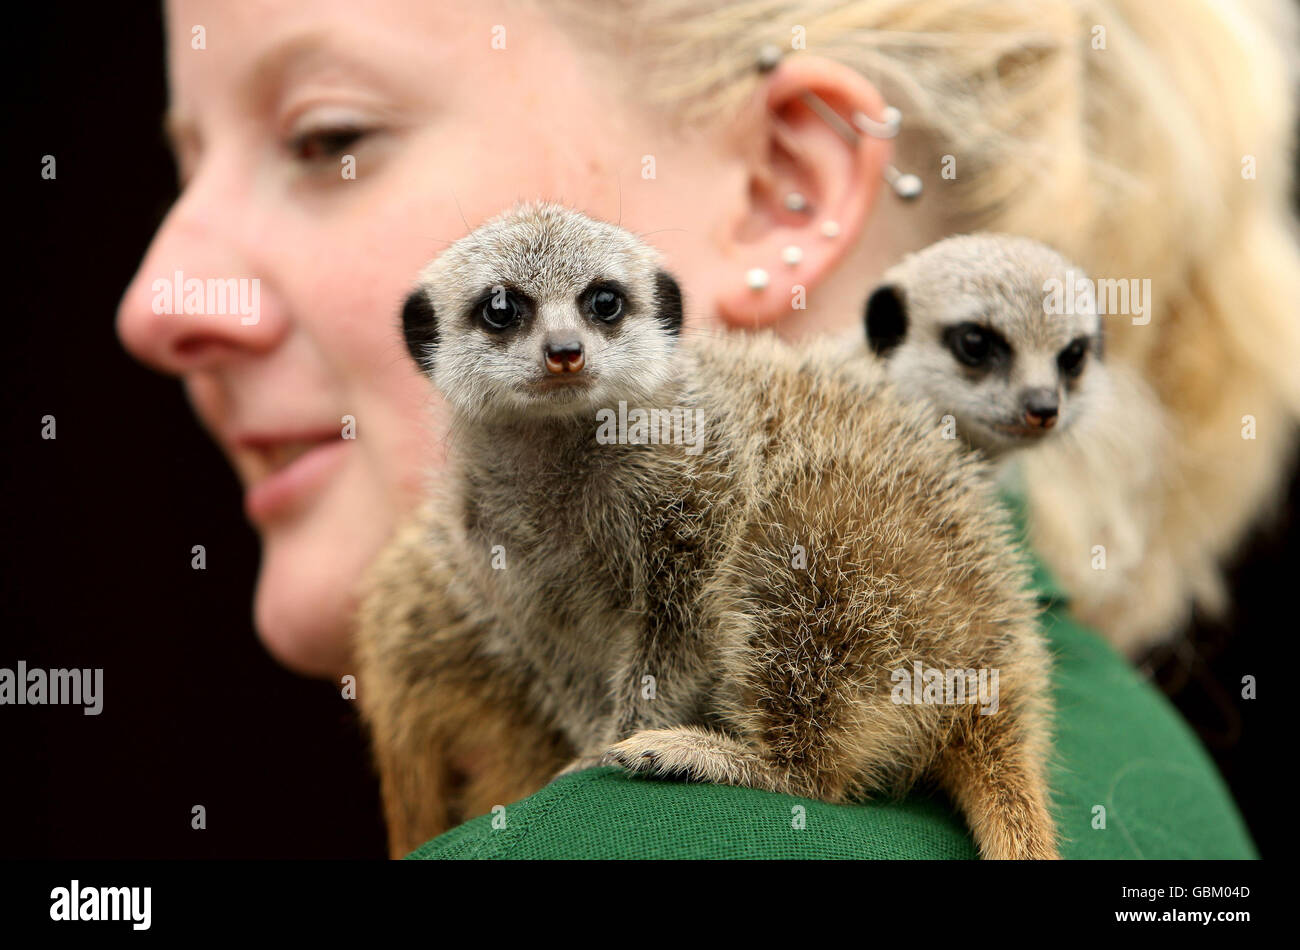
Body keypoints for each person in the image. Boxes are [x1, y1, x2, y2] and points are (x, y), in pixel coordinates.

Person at [116, 0, 1296, 854]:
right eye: (183, 163)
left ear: (785, 186)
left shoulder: (643, 838)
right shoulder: (1150, 778)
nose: (157, 298)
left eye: (329, 140)